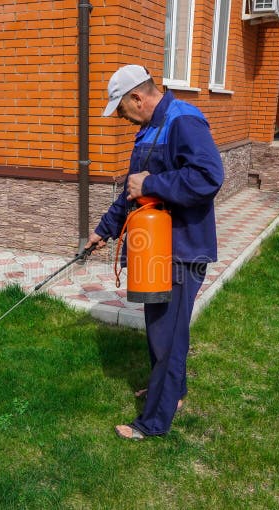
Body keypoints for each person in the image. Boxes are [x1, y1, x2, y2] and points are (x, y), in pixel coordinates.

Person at [84, 64, 224, 440]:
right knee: (159, 329)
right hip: (155, 249)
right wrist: (105, 229)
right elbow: (134, 190)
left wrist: (154, 182)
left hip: (181, 249)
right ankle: (171, 393)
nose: (121, 118)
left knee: (168, 336)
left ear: (137, 98)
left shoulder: (184, 121)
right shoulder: (149, 128)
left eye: (122, 109)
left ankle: (153, 423)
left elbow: (209, 177)